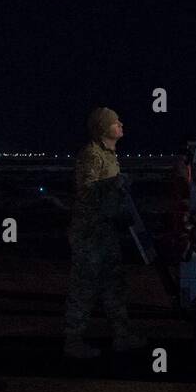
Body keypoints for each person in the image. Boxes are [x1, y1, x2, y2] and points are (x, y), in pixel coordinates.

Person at [62, 107, 146, 358]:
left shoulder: (109, 156)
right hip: (89, 234)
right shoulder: (91, 155)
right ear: (102, 128)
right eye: (114, 122)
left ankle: (122, 336)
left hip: (105, 231)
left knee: (114, 285)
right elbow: (86, 191)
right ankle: (73, 342)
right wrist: (114, 184)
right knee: (84, 287)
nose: (120, 123)